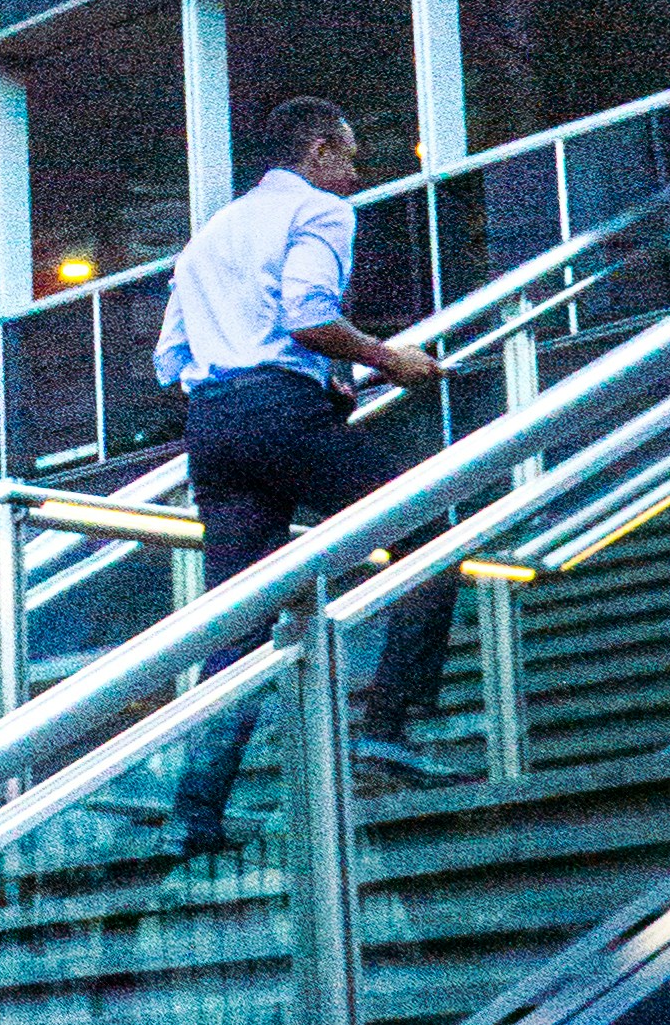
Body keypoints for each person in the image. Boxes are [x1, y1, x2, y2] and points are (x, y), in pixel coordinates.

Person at [155, 98, 457, 861]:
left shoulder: (210, 236)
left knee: (241, 621)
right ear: (319, 151)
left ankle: (196, 814)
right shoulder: (319, 212)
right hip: (277, 410)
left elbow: (170, 357)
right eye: (349, 157)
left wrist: (308, 378)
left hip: (212, 425)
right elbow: (307, 314)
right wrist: (392, 361)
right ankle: (388, 732)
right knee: (426, 532)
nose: (354, 177)